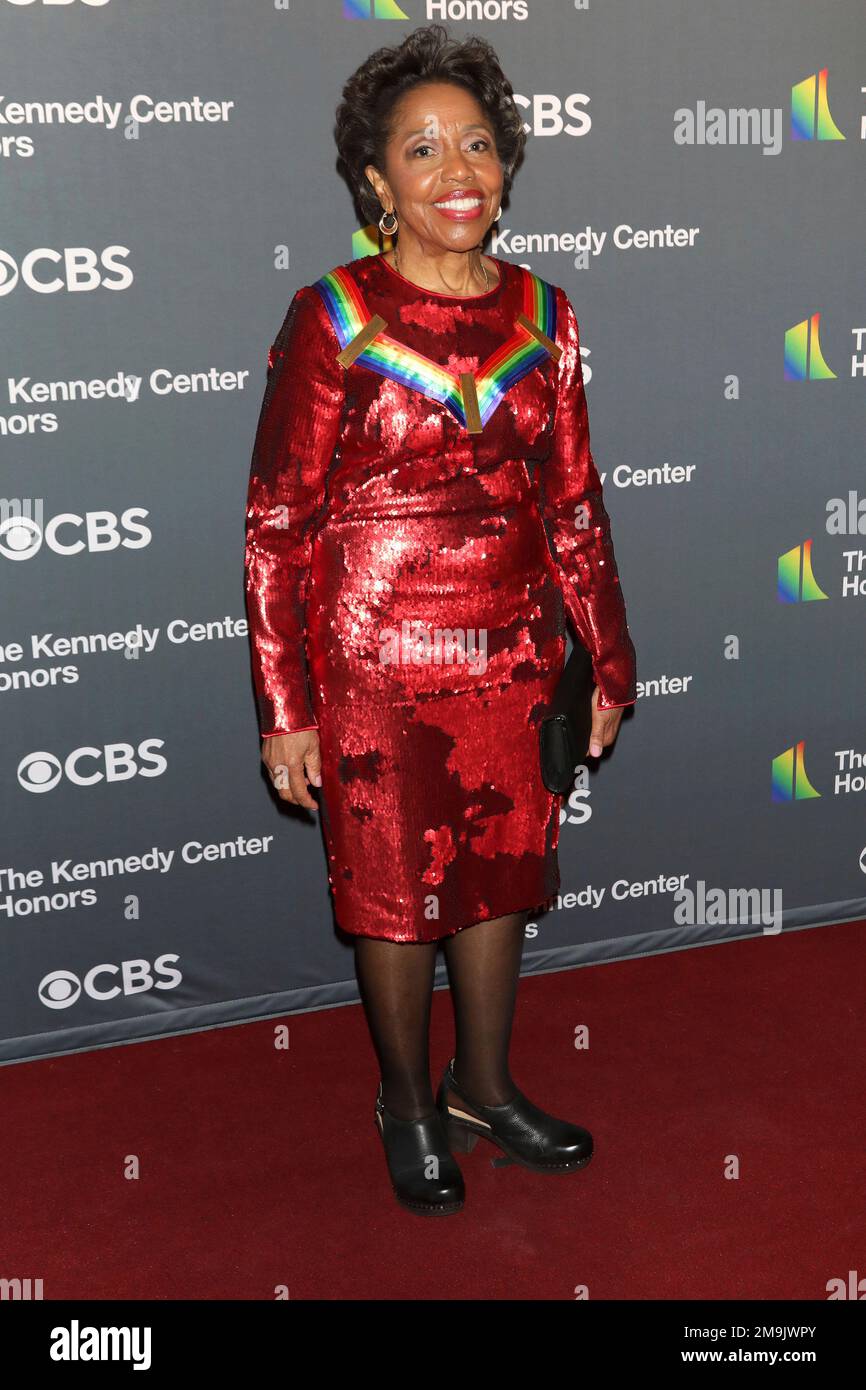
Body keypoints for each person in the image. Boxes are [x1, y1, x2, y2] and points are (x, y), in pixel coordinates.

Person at [244, 23, 637, 1216]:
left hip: (513, 654)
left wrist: (606, 657)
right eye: (421, 149)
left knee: (500, 879)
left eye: (475, 143)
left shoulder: (544, 317)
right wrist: (286, 705)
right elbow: (276, 524)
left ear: (507, 165)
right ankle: (407, 1103)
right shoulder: (334, 318)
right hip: (372, 663)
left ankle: (481, 1086)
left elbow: (573, 502)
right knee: (394, 895)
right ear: (377, 183)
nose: (455, 170)